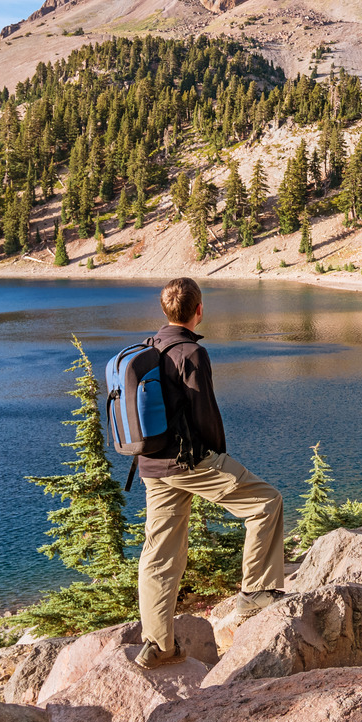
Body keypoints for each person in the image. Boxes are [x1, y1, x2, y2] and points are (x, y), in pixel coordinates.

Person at [135, 277, 285, 668]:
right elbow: (206, 416)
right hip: (187, 463)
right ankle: (256, 592)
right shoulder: (190, 353)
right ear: (199, 310)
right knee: (266, 502)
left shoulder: (151, 347)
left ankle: (158, 643)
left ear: (164, 311)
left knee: (160, 552)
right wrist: (219, 456)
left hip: (151, 465)